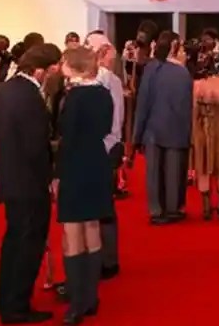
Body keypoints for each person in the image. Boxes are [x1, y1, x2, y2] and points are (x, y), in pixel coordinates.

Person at [0, 43, 62, 326]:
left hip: (9, 176)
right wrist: (51, 174)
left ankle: (5, 301)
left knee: (12, 242)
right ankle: (16, 307)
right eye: (53, 70)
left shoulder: (8, 88)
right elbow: (35, 146)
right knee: (28, 244)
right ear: (39, 70)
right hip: (29, 182)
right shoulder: (30, 96)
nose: (54, 76)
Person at [55, 47, 114, 325]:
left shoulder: (74, 97)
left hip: (75, 165)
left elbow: (67, 137)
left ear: (73, 66)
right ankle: (90, 298)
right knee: (92, 230)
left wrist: (56, 174)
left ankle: (76, 303)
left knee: (73, 234)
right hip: (97, 164)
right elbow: (104, 129)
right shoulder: (104, 93)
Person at [133, 31, 194, 225]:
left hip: (153, 127)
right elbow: (187, 107)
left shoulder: (152, 68)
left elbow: (143, 102)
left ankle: (156, 210)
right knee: (174, 170)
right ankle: (173, 208)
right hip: (176, 127)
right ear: (174, 47)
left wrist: (137, 134)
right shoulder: (183, 73)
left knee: (153, 171)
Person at [92, 38, 125, 278]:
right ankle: (107, 259)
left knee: (101, 208)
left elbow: (112, 118)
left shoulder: (104, 80)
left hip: (102, 147)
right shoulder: (110, 80)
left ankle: (104, 260)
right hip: (110, 145)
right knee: (105, 206)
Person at [191, 55, 219, 221]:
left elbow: (193, 108)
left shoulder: (196, 85)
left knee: (202, 163)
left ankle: (206, 207)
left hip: (202, 126)